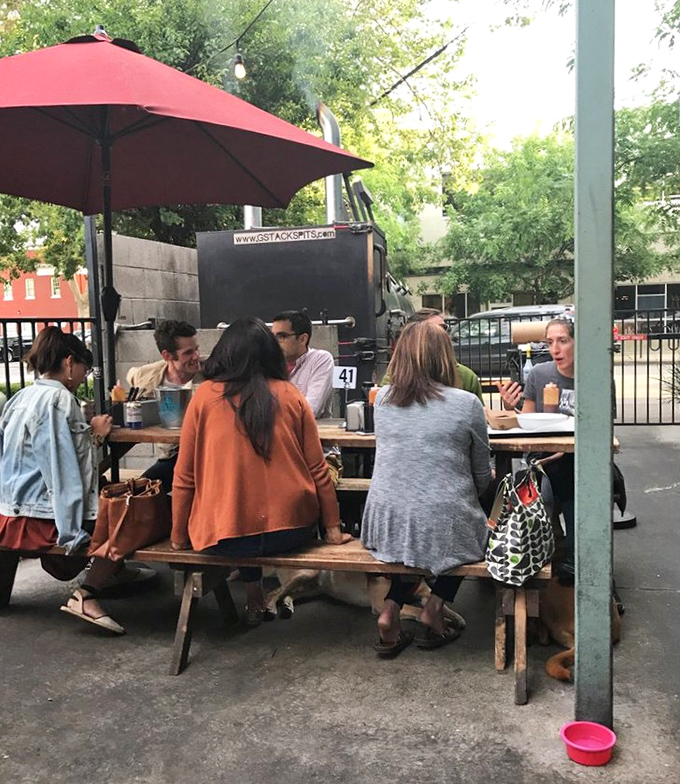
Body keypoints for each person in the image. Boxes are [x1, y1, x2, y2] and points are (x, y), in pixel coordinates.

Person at [171, 317, 352, 626]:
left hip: (223, 539)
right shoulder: (291, 395)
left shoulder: (203, 397)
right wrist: (332, 530)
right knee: (254, 508)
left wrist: (178, 537)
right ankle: (257, 592)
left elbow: (184, 477)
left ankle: (254, 592)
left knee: (239, 511)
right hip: (292, 531)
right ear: (271, 354)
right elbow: (319, 470)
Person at [361, 320, 492, 657]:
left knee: (415, 533)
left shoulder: (384, 399)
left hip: (383, 525)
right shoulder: (466, 403)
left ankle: (390, 613)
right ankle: (434, 606)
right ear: (445, 358)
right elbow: (482, 476)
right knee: (464, 529)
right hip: (439, 524)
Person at [0, 327, 124, 634]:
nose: (85, 376)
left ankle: (114, 572)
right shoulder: (59, 401)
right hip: (38, 520)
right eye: (84, 368)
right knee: (127, 519)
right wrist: (95, 434)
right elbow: (66, 473)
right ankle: (88, 594)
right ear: (70, 363)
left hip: (8, 512)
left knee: (113, 501)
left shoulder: (21, 397)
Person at [497, 317, 576, 582]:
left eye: (563, 341)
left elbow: (603, 427)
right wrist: (511, 408)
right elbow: (528, 423)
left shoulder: (594, 375)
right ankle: (539, 555)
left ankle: (575, 557)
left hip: (580, 458)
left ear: (577, 342)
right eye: (550, 342)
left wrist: (564, 450)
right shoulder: (540, 374)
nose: (555, 349)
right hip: (543, 458)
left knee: (571, 481)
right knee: (543, 488)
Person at [127, 319, 202, 495]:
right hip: (172, 456)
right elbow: (132, 375)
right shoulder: (150, 375)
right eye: (188, 352)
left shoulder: (211, 373)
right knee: (139, 494)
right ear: (167, 356)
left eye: (197, 349)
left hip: (205, 455)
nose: (197, 356)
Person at [382, 308, 484, 403]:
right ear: (412, 338)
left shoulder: (466, 377)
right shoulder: (394, 377)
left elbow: (480, 417)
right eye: (431, 331)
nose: (442, 335)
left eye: (444, 329)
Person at [271, 310, 335, 419]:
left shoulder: (320, 360)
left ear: (302, 339)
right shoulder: (269, 362)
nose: (274, 342)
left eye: (282, 336)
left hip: (312, 433)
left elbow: (310, 410)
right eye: (272, 337)